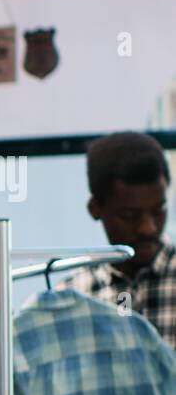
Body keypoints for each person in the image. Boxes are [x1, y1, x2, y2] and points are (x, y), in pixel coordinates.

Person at [64, 131, 176, 346]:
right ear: (95, 209)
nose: (148, 228)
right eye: (130, 216)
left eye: (158, 211)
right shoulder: (73, 298)